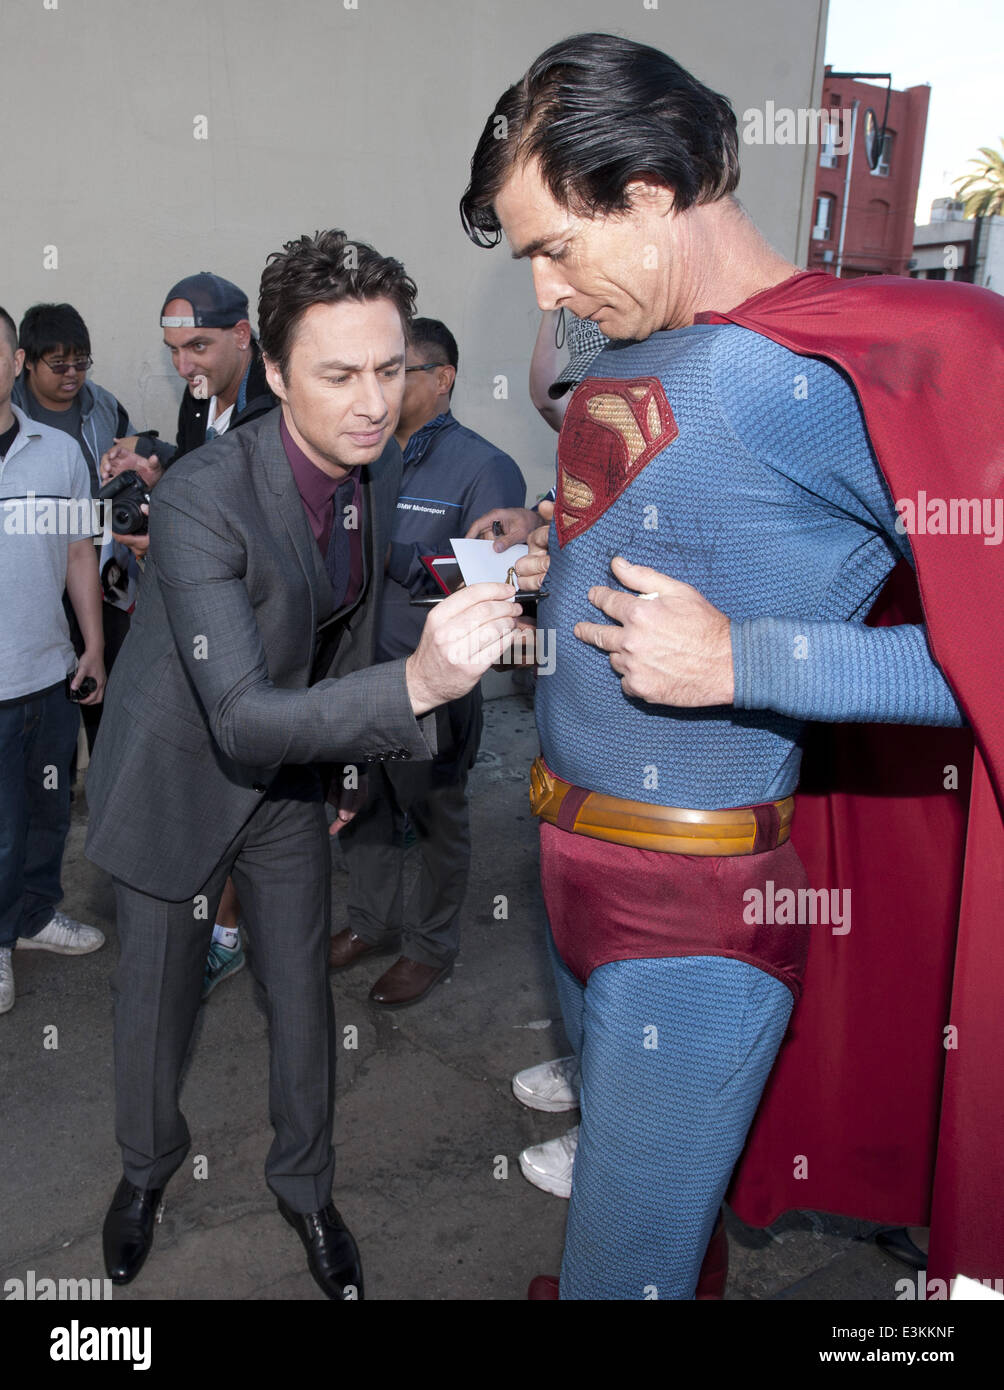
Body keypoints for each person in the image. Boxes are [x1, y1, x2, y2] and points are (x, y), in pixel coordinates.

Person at [459, 32, 1002, 1299]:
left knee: (618, 1273)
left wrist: (742, 656)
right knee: (648, 1232)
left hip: (690, 908)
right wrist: (558, 555)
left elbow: (980, 653)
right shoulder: (630, 345)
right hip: (566, 866)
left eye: (553, 247)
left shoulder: (815, 373)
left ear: (646, 193)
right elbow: (687, 509)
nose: (544, 290)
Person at [83, 230, 521, 1299]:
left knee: (302, 1003)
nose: (372, 400)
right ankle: (145, 1173)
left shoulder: (370, 468)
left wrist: (348, 765)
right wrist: (413, 689)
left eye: (388, 368)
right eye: (338, 374)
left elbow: (347, 618)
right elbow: (236, 710)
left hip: (286, 782)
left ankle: (306, 1188)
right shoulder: (200, 497)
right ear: (275, 372)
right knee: (155, 1013)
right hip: (179, 776)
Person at [334, 318, 526, 1007]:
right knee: (362, 808)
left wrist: (417, 565)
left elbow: (492, 583)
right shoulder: (368, 453)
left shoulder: (483, 467)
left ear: (441, 378)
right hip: (357, 675)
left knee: (434, 813)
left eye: (397, 372)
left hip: (430, 684)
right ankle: (371, 923)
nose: (379, 389)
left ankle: (430, 946)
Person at [101, 273, 279, 998]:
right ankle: (213, 919)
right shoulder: (201, 392)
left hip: (254, 631)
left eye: (199, 346)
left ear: (243, 335)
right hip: (196, 625)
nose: (185, 367)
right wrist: (157, 467)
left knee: (242, 790)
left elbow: (266, 534)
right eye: (174, 351)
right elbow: (203, 470)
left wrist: (173, 545)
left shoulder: (275, 409)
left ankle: (230, 933)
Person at [0, 305, 106, 1017]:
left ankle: (35, 916)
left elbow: (77, 553)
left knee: (44, 813)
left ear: (13, 361)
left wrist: (93, 642)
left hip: (46, 669)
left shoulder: (59, 452)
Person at [12, 303, 171, 754]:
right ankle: (53, 789)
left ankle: (105, 788)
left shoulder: (103, 406)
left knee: (108, 691)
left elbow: (139, 473)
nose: (73, 374)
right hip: (36, 576)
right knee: (45, 701)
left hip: (101, 573)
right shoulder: (11, 412)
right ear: (25, 360)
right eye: (59, 364)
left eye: (81, 362)